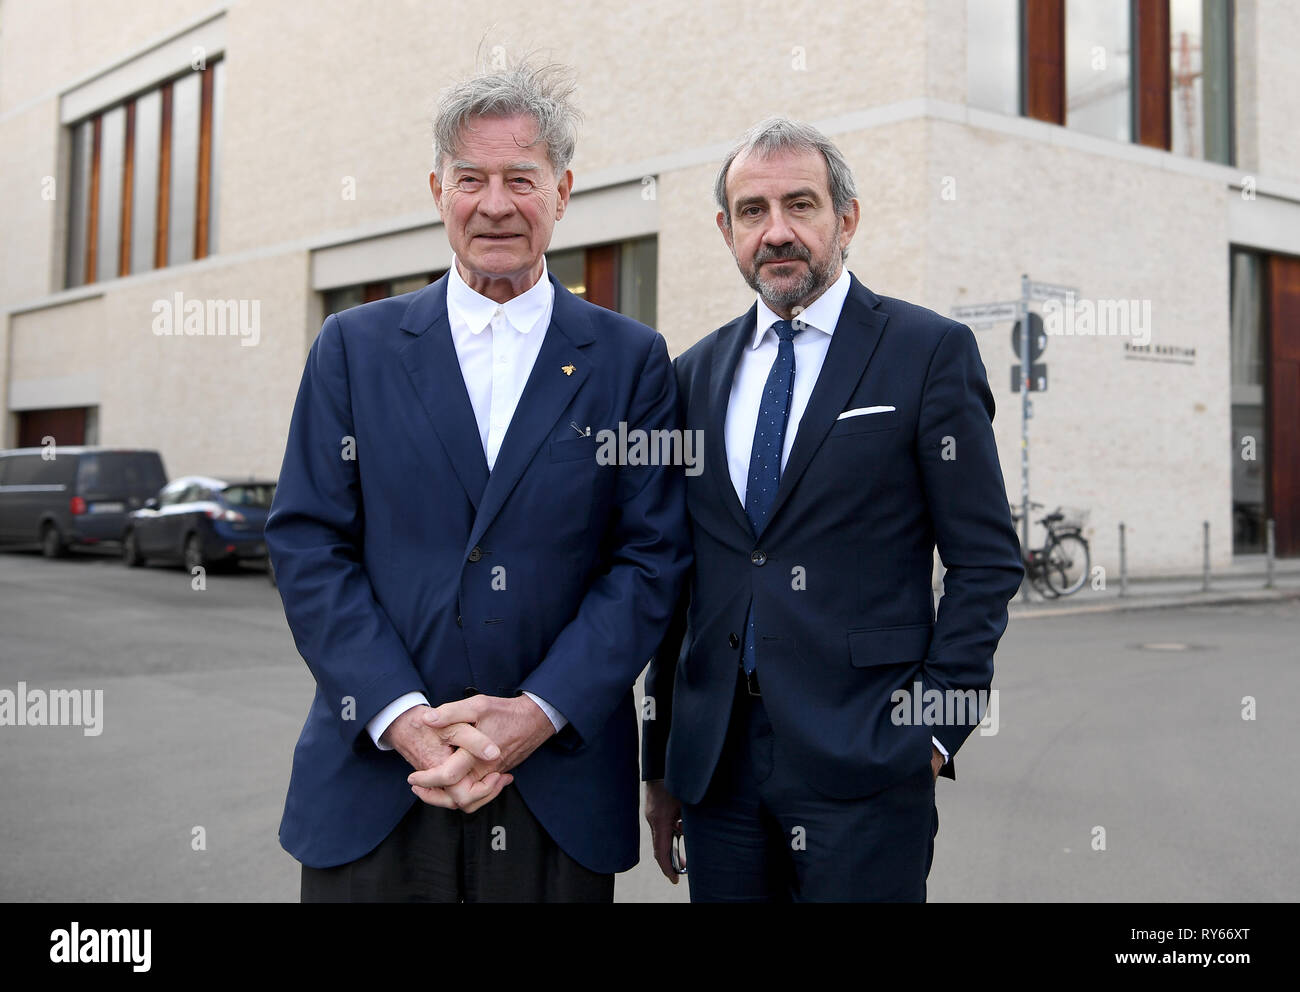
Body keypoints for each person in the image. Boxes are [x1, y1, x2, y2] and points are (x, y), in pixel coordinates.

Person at [267, 60, 689, 902]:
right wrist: (403, 719)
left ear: (563, 193)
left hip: (555, 787)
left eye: (521, 179)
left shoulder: (633, 362)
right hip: (378, 780)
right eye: (472, 179)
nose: (495, 204)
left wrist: (535, 714)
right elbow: (309, 541)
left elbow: (651, 560)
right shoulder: (352, 349)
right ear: (438, 190)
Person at [642, 117, 1023, 902]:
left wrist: (935, 731)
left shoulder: (927, 354)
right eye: (752, 211)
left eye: (800, 205)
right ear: (726, 231)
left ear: (845, 218)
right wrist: (661, 761)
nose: (777, 232)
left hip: (869, 758)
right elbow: (678, 580)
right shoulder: (690, 377)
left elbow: (985, 562)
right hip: (717, 769)